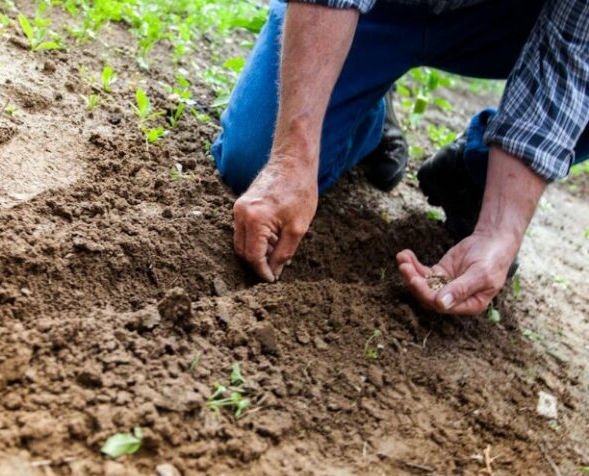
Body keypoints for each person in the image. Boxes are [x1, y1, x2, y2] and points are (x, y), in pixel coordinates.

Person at [211, 0, 589, 315]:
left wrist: (499, 232)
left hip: (507, 20)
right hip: (379, 9)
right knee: (254, 160)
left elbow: (571, 57)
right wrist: (291, 158)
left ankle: (477, 171)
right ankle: (366, 109)